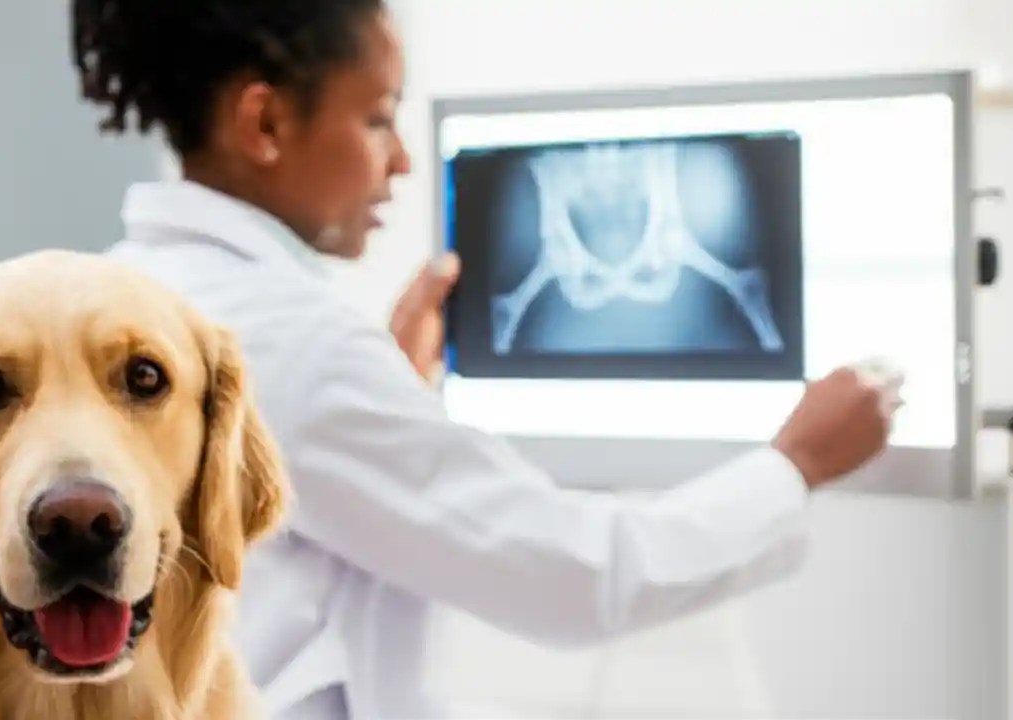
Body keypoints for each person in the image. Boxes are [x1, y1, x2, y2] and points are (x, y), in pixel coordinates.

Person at [72, 1, 901, 716]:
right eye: (377, 117)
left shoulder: (114, 294)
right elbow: (580, 577)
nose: (400, 159)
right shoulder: (296, 345)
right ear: (266, 124)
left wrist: (384, 392)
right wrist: (794, 466)